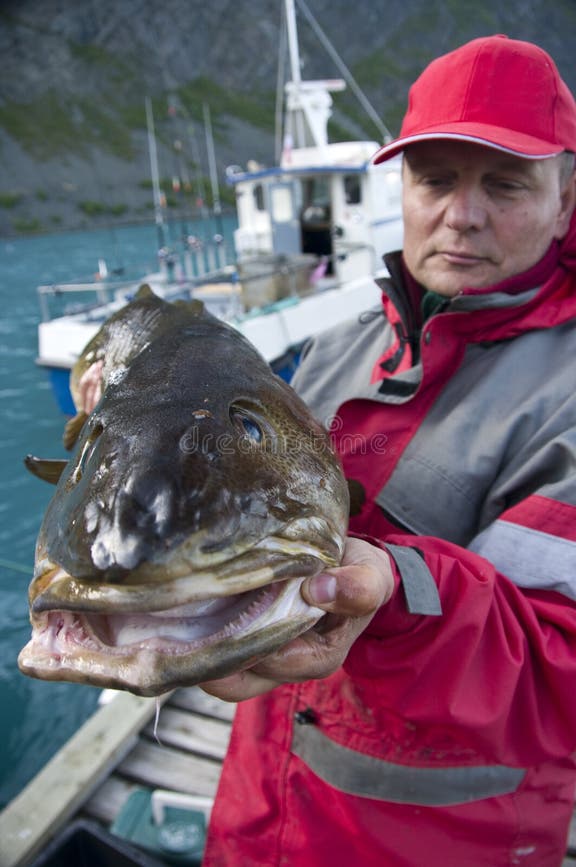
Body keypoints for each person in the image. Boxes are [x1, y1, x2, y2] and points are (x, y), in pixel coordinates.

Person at [201, 35, 576, 867]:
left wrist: (393, 590)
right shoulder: (338, 343)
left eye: (505, 184)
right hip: (260, 810)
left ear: (567, 198)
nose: (462, 214)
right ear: (401, 188)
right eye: (434, 178)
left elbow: (563, 671)